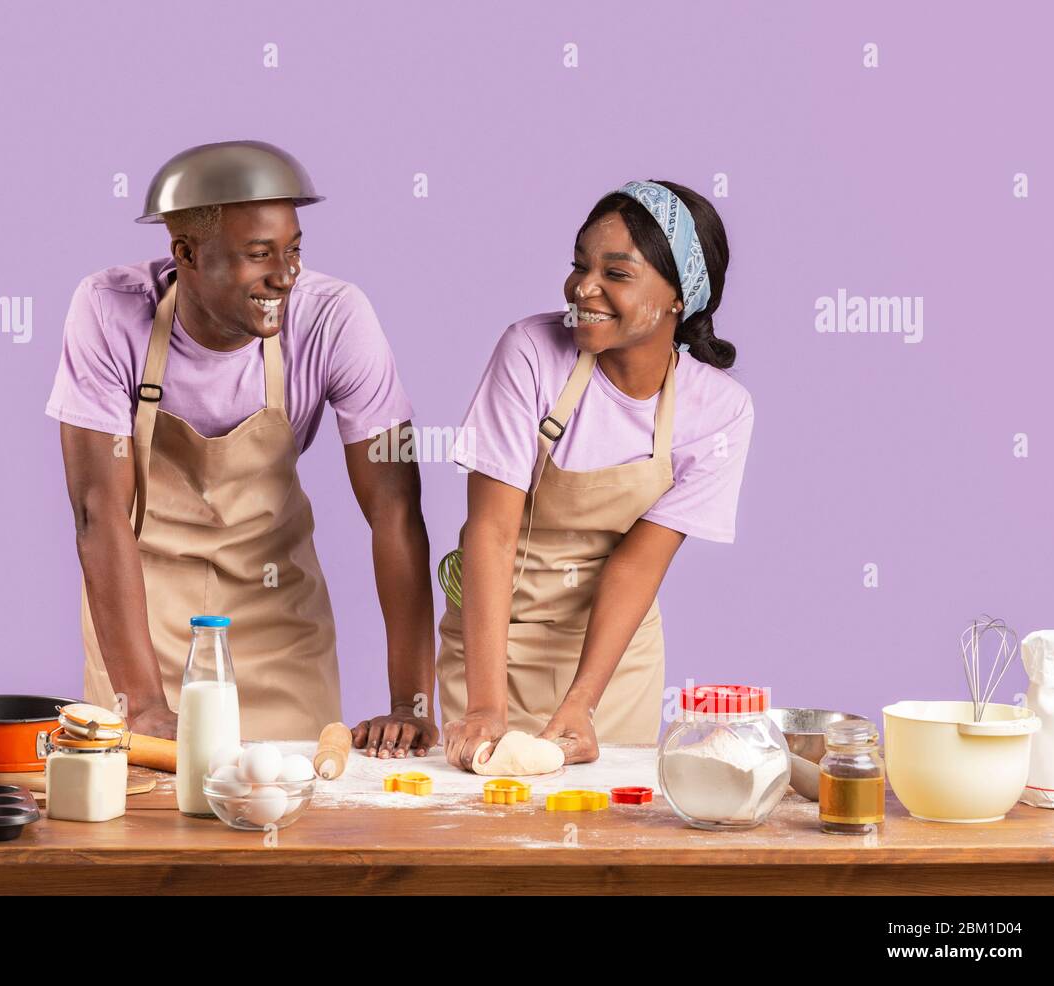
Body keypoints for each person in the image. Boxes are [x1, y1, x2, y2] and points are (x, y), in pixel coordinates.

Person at [47, 140, 437, 752]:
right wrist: (144, 702)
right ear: (186, 254)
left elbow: (395, 511)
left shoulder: (333, 318)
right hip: (143, 614)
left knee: (285, 810)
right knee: (150, 818)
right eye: (259, 255)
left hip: (276, 610)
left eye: (294, 250)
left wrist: (409, 703)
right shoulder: (110, 310)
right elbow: (99, 514)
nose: (285, 275)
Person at [438, 180, 753, 770]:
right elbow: (492, 532)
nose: (584, 287)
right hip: (491, 643)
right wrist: (485, 705)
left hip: (614, 661)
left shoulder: (720, 411)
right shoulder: (530, 351)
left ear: (680, 298)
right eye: (580, 265)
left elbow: (638, 564)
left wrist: (582, 703)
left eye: (618, 273)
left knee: (604, 834)